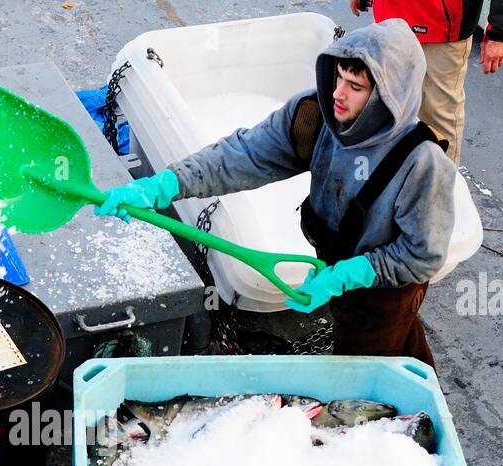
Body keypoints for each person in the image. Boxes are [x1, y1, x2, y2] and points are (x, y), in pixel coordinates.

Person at [96, 18, 454, 367]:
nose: (338, 95)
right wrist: (168, 183)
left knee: (370, 358)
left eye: (356, 88)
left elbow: (423, 255)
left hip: (384, 290)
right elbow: (245, 155)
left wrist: (352, 274)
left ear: (387, 98)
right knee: (370, 334)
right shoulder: (315, 116)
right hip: (331, 258)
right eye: (339, 78)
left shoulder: (421, 162)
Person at [353, 0, 503, 164]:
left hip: (441, 28)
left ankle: (444, 187)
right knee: (387, 109)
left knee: (438, 118)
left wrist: (502, 34)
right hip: (388, 20)